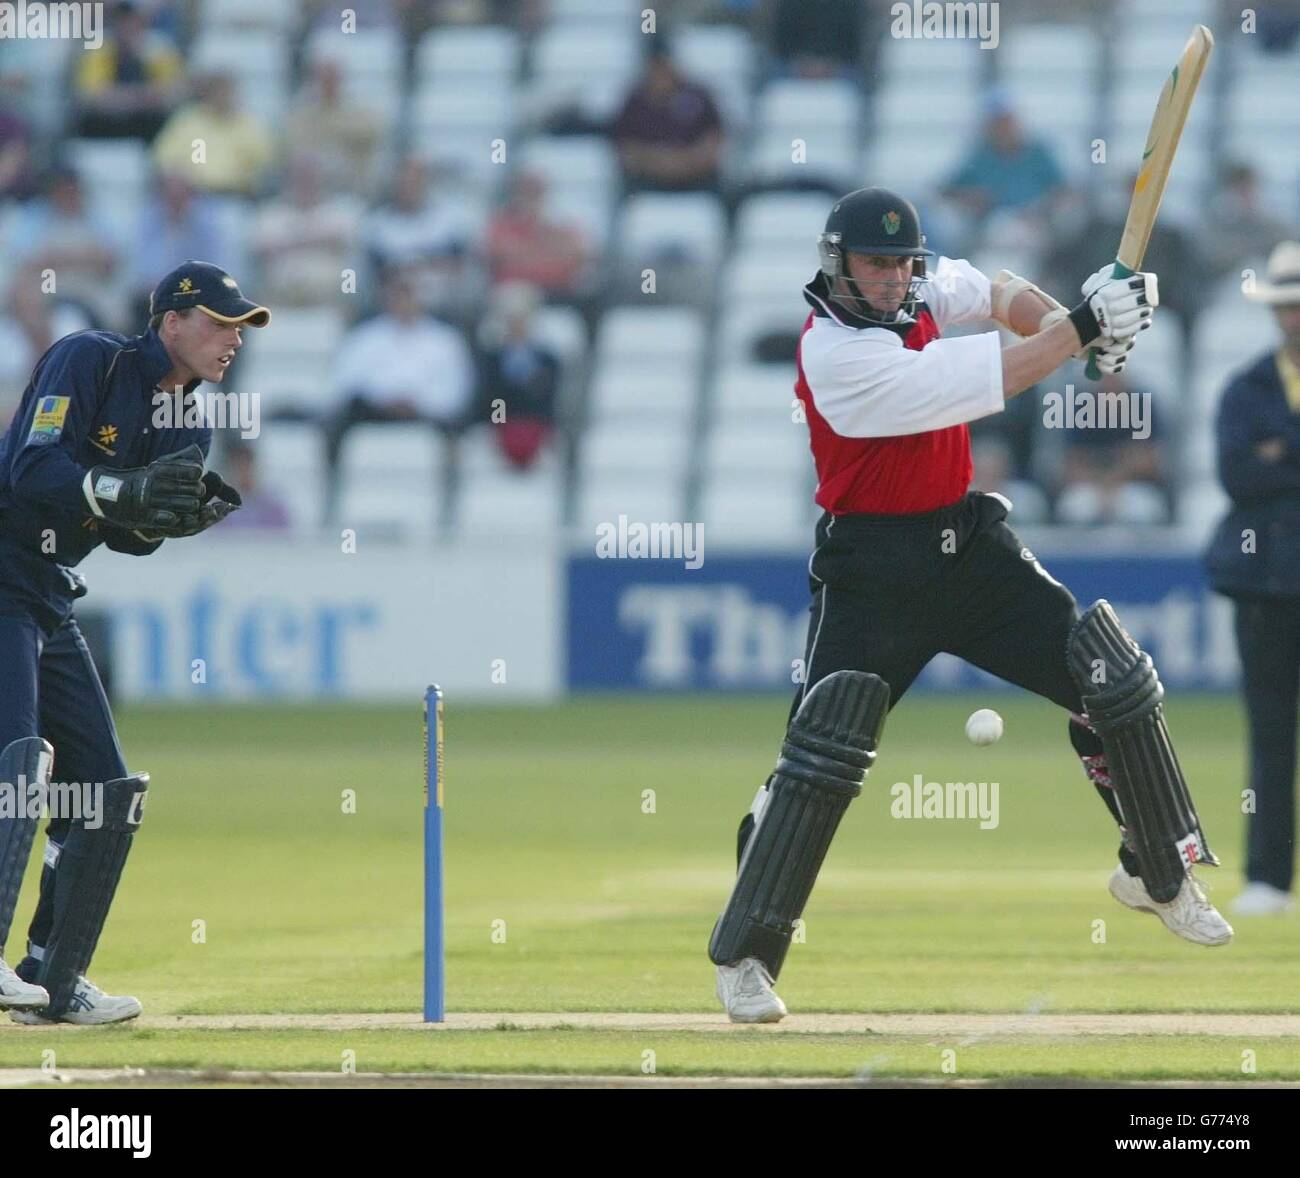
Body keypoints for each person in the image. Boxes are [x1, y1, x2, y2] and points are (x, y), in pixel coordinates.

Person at [710, 187, 1231, 1024]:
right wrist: (1081, 331)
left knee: (1112, 674)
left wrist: (1072, 318)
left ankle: (1156, 871)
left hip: (968, 547)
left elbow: (997, 293)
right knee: (821, 760)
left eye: (901, 265)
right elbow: (992, 374)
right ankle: (745, 957)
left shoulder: (917, 288)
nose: (891, 281)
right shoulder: (835, 354)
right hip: (872, 568)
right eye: (873, 265)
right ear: (836, 266)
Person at [0, 261, 269, 1023]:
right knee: (17, 765)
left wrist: (164, 520)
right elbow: (32, 467)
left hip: (49, 593)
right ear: (171, 321)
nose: (232, 342)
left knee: (105, 794)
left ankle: (54, 979)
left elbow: (128, 541)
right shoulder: (91, 358)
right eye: (221, 324)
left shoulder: (195, 414)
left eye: (241, 329)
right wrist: (124, 491)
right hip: (2, 572)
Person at [1205, 240, 1300, 917]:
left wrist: (1282, 451)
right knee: (1270, 734)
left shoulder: (1253, 396)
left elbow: (1262, 471)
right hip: (1266, 585)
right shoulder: (1246, 387)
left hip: (1269, 568)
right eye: (1287, 306)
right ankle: (1268, 878)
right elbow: (1239, 477)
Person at [324, 270, 475, 521]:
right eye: (399, 295)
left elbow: (456, 390)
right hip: (374, 411)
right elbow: (344, 384)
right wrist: (385, 399)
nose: (404, 302)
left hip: (426, 413)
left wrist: (417, 402)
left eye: (410, 294)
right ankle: (332, 504)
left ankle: (447, 513)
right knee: (336, 421)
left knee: (457, 429)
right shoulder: (364, 337)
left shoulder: (445, 340)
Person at [610, 40, 723, 194]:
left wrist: (683, 162)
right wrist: (659, 162)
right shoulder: (634, 102)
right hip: (647, 182)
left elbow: (714, 140)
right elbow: (625, 147)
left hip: (696, 179)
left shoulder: (698, 96)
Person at [477, 282, 561, 470]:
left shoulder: (549, 361)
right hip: (504, 427)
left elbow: (548, 400)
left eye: (522, 318)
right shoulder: (491, 360)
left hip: (536, 428)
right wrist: (500, 425)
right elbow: (492, 399)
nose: (517, 324)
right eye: (511, 318)